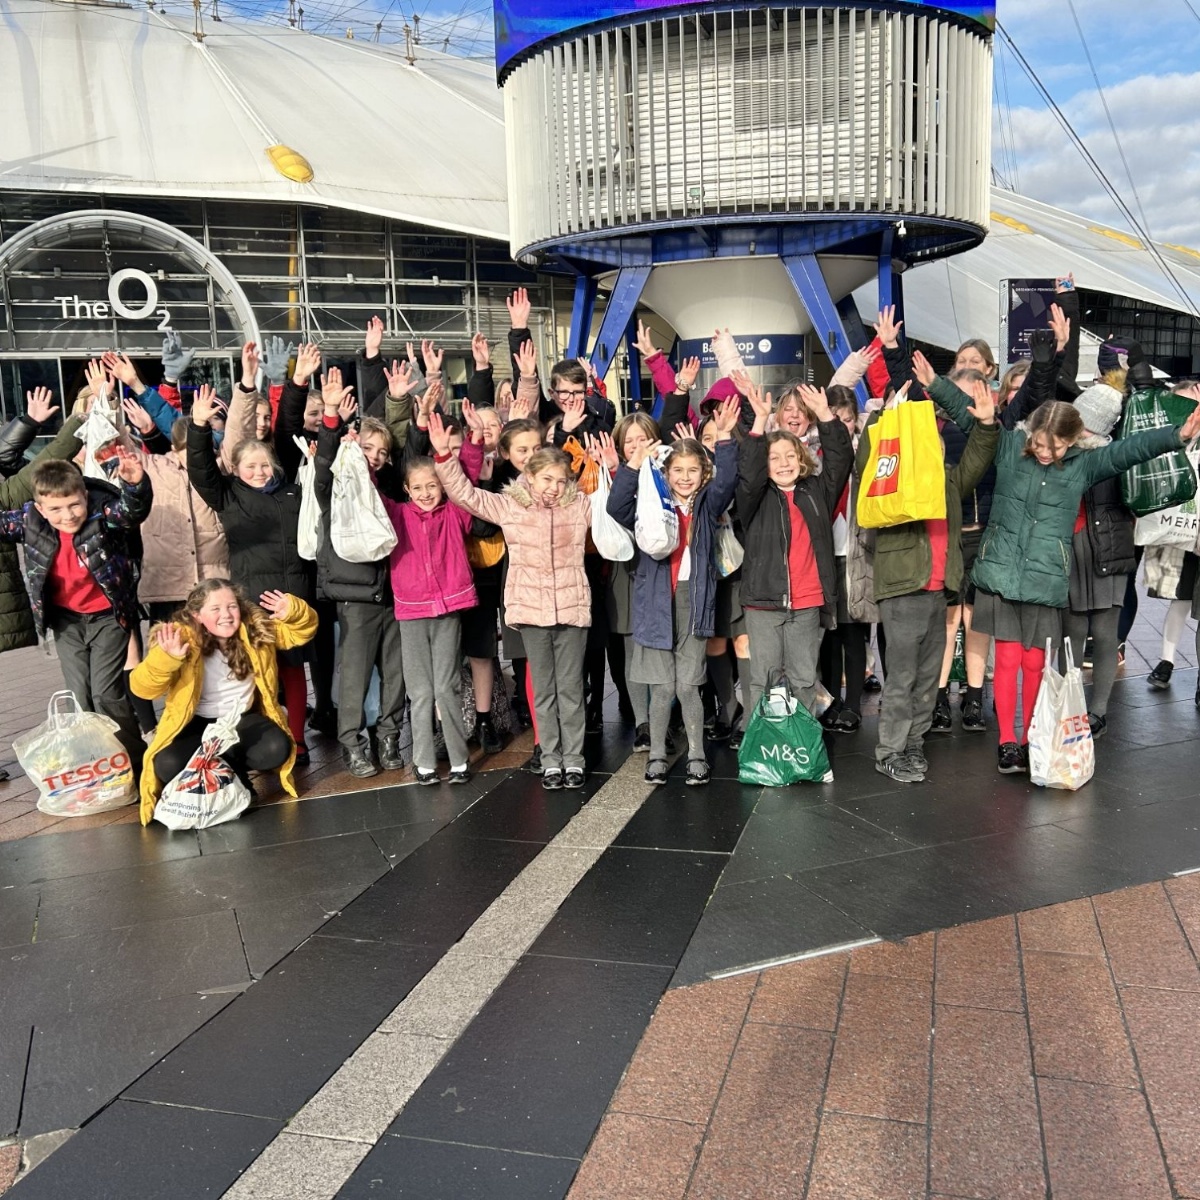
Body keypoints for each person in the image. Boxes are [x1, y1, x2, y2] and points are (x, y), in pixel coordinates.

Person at [915, 352, 1200, 773]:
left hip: (1046, 577)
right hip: (1001, 573)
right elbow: (974, 417)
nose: (1047, 452)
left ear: (1074, 441)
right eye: (1041, 444)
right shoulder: (1010, 447)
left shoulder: (1084, 465)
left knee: (1034, 661)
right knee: (1008, 658)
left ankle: (1030, 737)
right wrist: (937, 385)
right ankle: (1008, 742)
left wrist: (1175, 436)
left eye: (1058, 446)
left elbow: (1128, 451)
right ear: (1031, 434)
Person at [859, 377, 1000, 783]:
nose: (934, 449)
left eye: (937, 445)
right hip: (904, 590)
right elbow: (870, 456)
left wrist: (987, 426)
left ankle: (913, 744)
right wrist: (884, 415)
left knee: (925, 677)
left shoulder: (948, 483)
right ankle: (890, 750)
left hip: (938, 591)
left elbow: (977, 457)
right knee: (903, 677)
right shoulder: (894, 483)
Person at [436, 432, 593, 791]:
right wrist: (445, 457)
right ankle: (551, 759)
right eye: (546, 479)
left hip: (572, 611)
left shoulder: (579, 505)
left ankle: (575, 759)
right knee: (543, 691)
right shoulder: (511, 505)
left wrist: (618, 468)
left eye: (560, 480)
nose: (553, 487)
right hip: (532, 611)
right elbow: (466, 495)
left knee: (570, 689)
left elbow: (615, 504)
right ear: (531, 477)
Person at [607, 398, 740, 785]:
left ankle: (697, 753)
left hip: (694, 601)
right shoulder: (650, 503)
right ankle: (659, 754)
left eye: (693, 470)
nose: (685, 477)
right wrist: (633, 465)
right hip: (655, 603)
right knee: (662, 687)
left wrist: (727, 439)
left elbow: (728, 482)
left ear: (703, 474)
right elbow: (617, 507)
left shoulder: (707, 504)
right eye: (677, 470)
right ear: (665, 473)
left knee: (689, 684)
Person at [186, 383, 316, 765]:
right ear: (237, 469)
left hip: (293, 593)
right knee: (258, 669)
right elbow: (201, 468)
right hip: (252, 596)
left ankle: (298, 738)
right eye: (250, 466)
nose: (259, 472)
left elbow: (288, 424)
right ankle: (261, 737)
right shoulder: (228, 495)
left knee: (294, 669)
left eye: (264, 465)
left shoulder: (290, 489)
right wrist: (197, 426)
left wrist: (297, 385)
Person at [0, 452, 152, 775]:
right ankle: (100, 762)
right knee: (80, 694)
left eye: (74, 505)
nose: (67, 515)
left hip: (109, 616)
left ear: (85, 496)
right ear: (41, 508)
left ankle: (135, 760)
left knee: (105, 692)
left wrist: (135, 484)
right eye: (55, 509)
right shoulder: (30, 520)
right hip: (66, 620)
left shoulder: (102, 514)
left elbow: (131, 511)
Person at [131, 581, 317, 824]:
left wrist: (293, 610)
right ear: (197, 615)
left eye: (231, 606)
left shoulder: (255, 629)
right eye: (215, 609)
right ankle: (230, 775)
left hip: (241, 719)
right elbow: (141, 687)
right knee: (166, 765)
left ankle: (233, 775)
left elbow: (302, 631)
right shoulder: (180, 638)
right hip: (196, 723)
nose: (226, 615)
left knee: (277, 748)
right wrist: (167, 660)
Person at [737, 380, 855, 725]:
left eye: (791, 456)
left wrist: (824, 416)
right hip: (764, 601)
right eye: (775, 458)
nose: (784, 463)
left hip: (807, 601)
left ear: (802, 459)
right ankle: (765, 745)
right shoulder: (754, 498)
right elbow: (748, 473)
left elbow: (840, 459)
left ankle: (803, 745)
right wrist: (760, 423)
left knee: (804, 678)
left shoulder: (815, 491)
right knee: (764, 679)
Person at [312, 369, 408, 778]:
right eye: (369, 448)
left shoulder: (389, 488)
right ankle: (352, 742)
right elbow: (323, 465)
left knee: (397, 674)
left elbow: (411, 448)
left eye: (383, 452)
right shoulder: (338, 486)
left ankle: (388, 735)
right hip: (356, 595)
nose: (377, 457)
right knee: (353, 677)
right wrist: (332, 418)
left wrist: (401, 402)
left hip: (395, 590)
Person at [388, 400, 486, 786]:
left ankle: (459, 758)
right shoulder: (397, 514)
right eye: (418, 488)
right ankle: (424, 760)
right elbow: (368, 490)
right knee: (420, 689)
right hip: (411, 610)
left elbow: (470, 478)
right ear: (406, 490)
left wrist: (466, 445)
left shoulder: (455, 512)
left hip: (448, 606)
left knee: (447, 685)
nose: (427, 493)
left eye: (433, 486)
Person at [816, 387, 872, 731]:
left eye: (848, 419)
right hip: (825, 553)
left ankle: (853, 704)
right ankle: (832, 700)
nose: (841, 425)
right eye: (834, 418)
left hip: (856, 552)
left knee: (853, 634)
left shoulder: (864, 456)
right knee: (829, 633)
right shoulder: (817, 457)